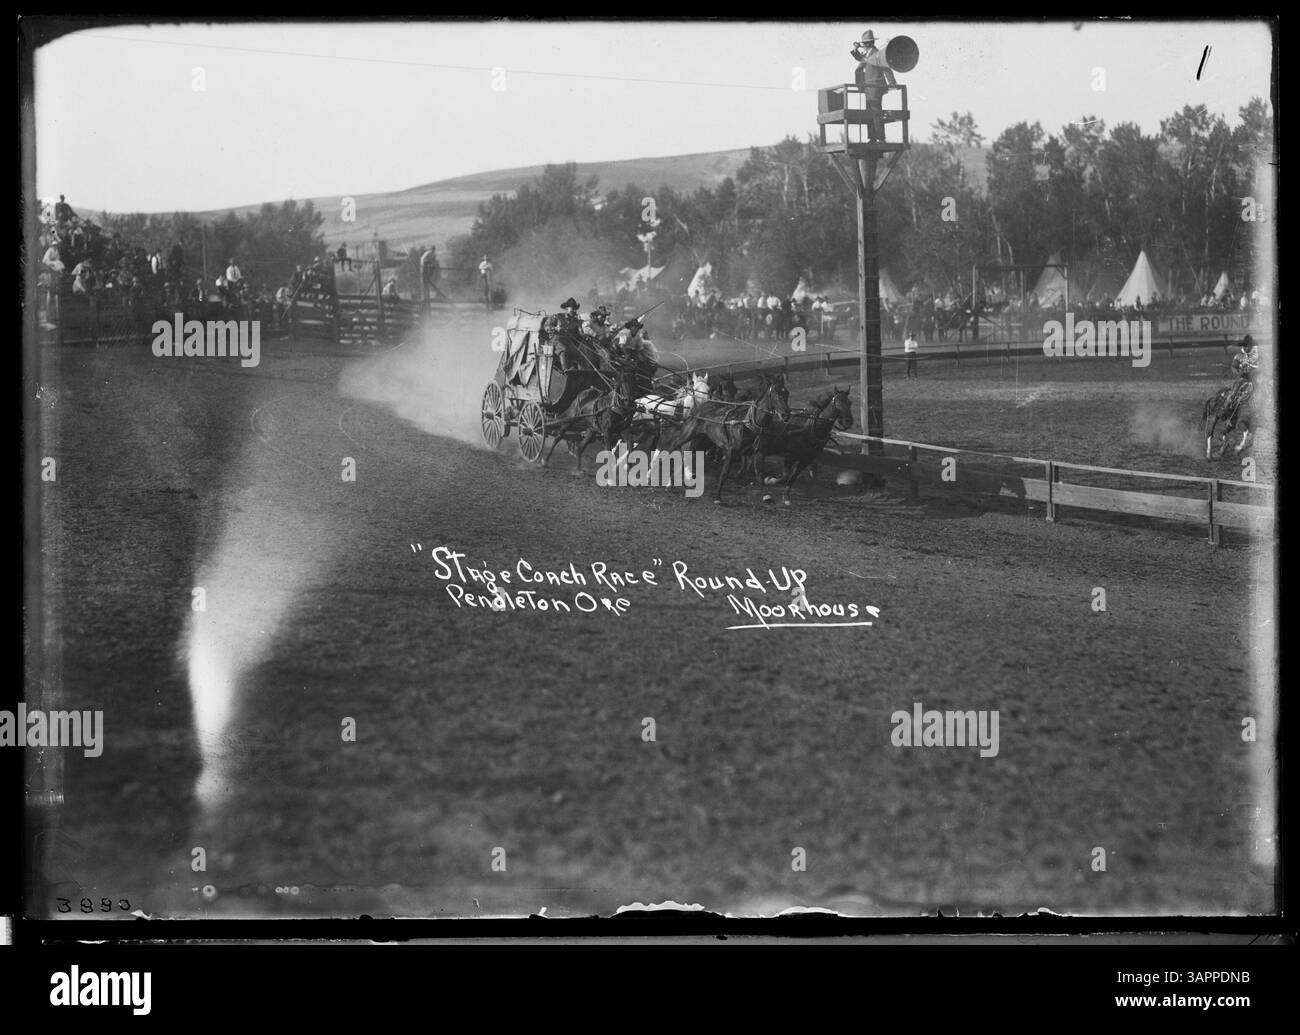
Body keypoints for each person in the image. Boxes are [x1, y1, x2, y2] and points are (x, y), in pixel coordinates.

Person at [850, 30, 896, 142]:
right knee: (869, 113)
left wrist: (892, 82)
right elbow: (860, 58)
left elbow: (886, 68)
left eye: (865, 44)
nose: (864, 46)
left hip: (875, 87)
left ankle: (880, 138)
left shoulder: (877, 54)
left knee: (876, 112)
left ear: (868, 44)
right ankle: (872, 138)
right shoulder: (868, 54)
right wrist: (856, 49)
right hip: (868, 88)